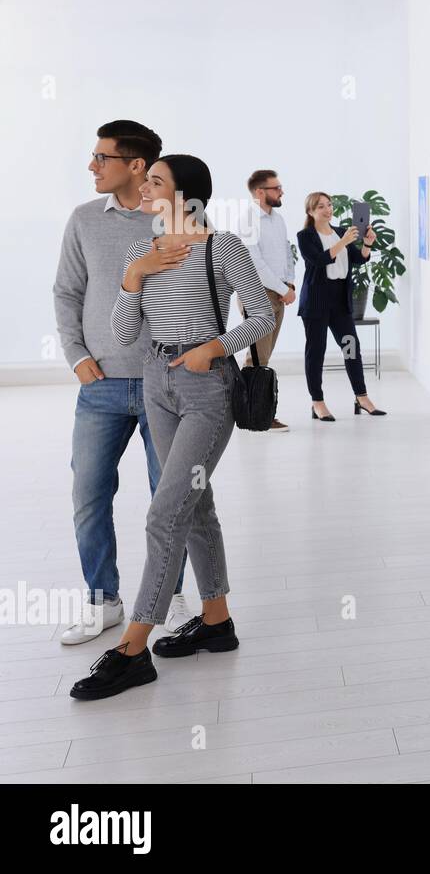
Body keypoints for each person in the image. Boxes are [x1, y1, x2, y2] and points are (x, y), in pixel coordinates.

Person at [70, 154, 275, 700]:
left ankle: (133, 649)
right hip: (156, 377)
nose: (144, 185)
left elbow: (262, 316)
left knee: (165, 513)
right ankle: (216, 622)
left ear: (188, 199)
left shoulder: (223, 245)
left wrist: (213, 348)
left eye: (155, 181)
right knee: (194, 504)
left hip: (206, 386)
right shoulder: (142, 250)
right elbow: (124, 329)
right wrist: (133, 277)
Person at [53, 120, 193, 646]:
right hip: (102, 385)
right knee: (89, 495)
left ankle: (171, 598)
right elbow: (66, 292)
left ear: (136, 165)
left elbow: (208, 295)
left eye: (101, 157)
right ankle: (103, 601)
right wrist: (75, 356)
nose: (92, 166)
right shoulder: (85, 220)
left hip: (167, 383)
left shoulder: (180, 222)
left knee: (172, 498)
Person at [296, 192, 386, 421]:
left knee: (351, 347)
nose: (328, 210)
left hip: (339, 300)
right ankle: (317, 402)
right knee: (316, 352)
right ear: (311, 212)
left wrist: (367, 244)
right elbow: (318, 260)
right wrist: (343, 241)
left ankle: (361, 396)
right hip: (317, 301)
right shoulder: (306, 236)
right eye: (320, 207)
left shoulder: (338, 231)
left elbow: (358, 258)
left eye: (329, 205)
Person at [236, 169, 296, 431]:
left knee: (263, 355)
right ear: (260, 192)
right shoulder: (249, 220)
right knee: (258, 358)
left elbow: (286, 251)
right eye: (276, 188)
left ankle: (255, 410)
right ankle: (255, 414)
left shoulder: (278, 219)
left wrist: (290, 283)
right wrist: (282, 288)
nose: (281, 192)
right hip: (257, 293)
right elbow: (255, 263)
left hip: (280, 291)